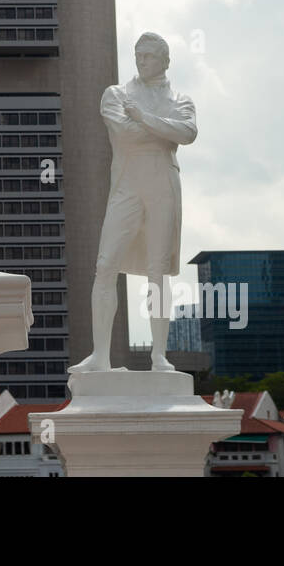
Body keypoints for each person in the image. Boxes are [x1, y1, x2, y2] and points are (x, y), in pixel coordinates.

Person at [71, 32, 197, 373]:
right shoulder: (116, 94)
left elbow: (188, 133)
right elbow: (125, 135)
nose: (141, 61)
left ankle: (159, 355)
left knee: (158, 271)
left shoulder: (181, 98)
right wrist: (162, 131)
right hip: (127, 185)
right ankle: (100, 355)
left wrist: (142, 118)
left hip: (163, 186)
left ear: (165, 61)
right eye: (138, 55)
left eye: (149, 56)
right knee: (105, 264)